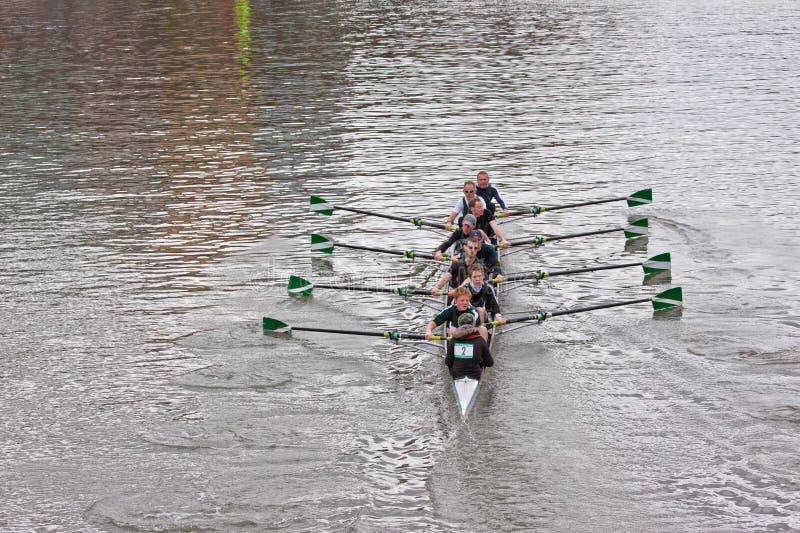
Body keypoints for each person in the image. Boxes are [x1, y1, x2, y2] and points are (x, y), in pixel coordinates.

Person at [430, 232, 504, 296]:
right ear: (464, 248)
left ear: (478, 249)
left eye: (475, 248)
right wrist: (437, 287)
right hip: (462, 293)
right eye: (470, 247)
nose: (473, 250)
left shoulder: (478, 266)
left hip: (476, 296)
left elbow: (469, 280)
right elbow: (448, 275)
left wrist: (457, 291)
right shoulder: (458, 261)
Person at [425, 285, 489, 342]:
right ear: (455, 301)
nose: (465, 303)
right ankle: (452, 349)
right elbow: (433, 322)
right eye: (462, 300)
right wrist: (428, 331)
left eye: (467, 300)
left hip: (472, 338)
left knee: (483, 329)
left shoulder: (473, 312)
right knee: (452, 330)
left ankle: (483, 350)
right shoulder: (450, 310)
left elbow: (476, 329)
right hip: (458, 338)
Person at [445, 312, 494, 381]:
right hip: (475, 374)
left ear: (459, 325)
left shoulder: (453, 340)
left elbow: (447, 362)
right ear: (473, 324)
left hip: (457, 374)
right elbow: (490, 363)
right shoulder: (480, 340)